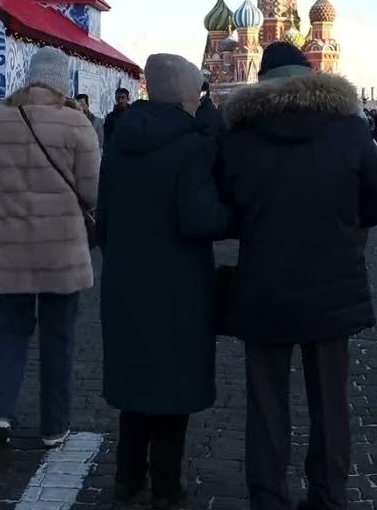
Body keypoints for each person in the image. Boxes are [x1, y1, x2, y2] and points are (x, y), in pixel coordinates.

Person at [219, 42, 377, 510]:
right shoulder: (350, 131)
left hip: (263, 286)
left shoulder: (239, 136)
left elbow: (224, 208)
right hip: (331, 286)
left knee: (265, 401)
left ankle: (268, 497)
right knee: (330, 401)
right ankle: (328, 494)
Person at [97, 54, 231, 509]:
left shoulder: (121, 137)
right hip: (178, 283)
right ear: (185, 96)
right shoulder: (190, 145)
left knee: (136, 383)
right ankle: (167, 486)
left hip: (127, 279)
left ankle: (127, 477)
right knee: (173, 385)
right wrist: (234, 215)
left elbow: (106, 216)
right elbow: (198, 218)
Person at [0, 47, 100, 447]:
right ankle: (53, 425)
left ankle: (1, 414)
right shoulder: (78, 125)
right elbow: (92, 192)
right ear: (63, 80)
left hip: (10, 251)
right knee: (58, 338)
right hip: (61, 253)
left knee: (9, 332)